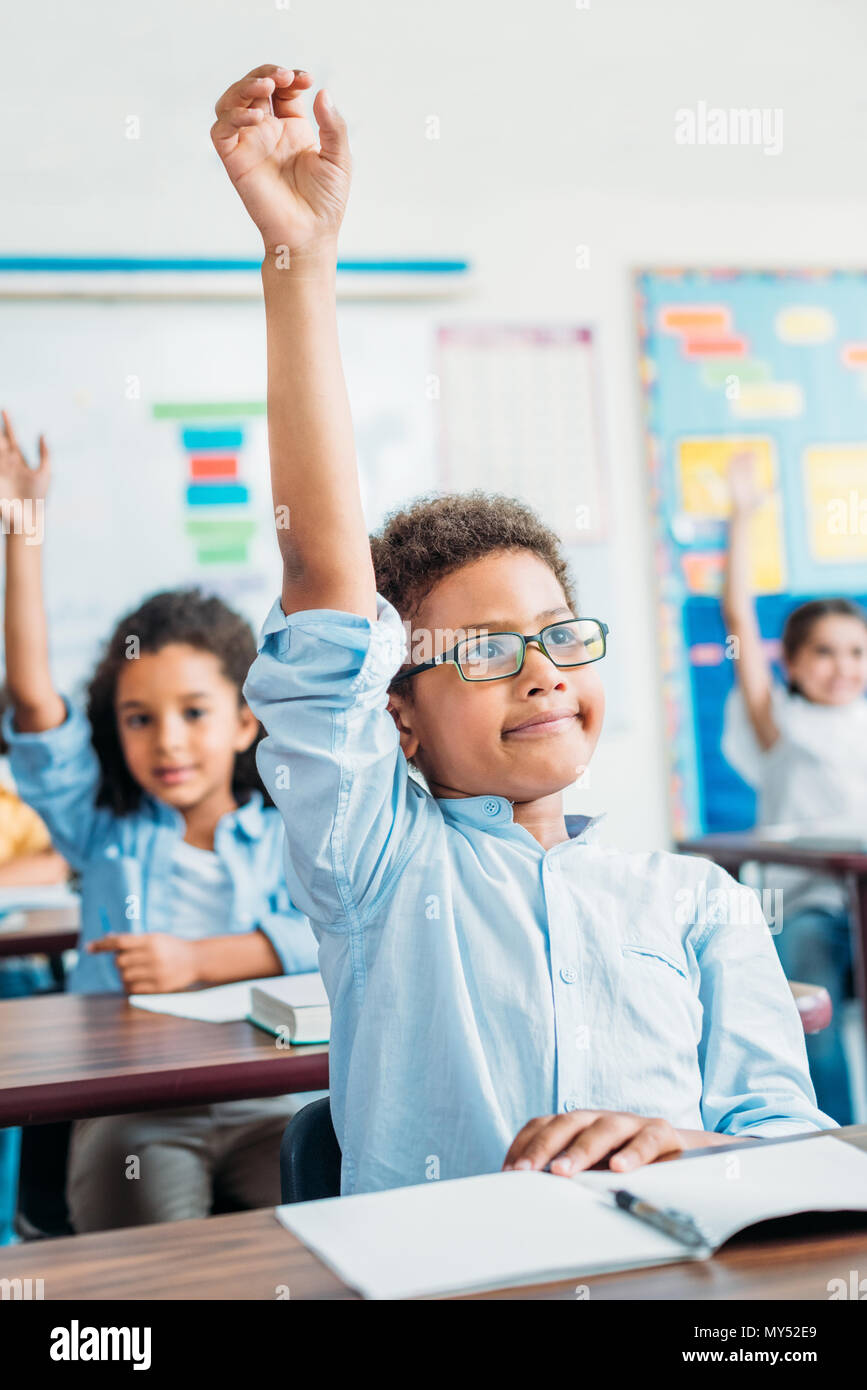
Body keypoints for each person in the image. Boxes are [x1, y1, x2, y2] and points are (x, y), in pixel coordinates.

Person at [213, 64, 834, 1195]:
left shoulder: (699, 903)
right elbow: (322, 577)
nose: (542, 671)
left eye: (558, 635)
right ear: (395, 716)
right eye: (489, 651)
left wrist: (686, 1146)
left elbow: (787, 1142)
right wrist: (298, 261)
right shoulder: (376, 863)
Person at [0, 410, 319, 1230]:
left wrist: (199, 959)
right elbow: (35, 701)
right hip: (138, 1110)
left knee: (309, 1246)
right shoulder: (101, 823)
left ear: (246, 720)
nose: (167, 741)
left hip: (272, 1097)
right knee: (147, 1275)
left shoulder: (295, 821)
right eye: (139, 718)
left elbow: (339, 938)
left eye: (193, 712)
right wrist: (22, 534)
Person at [722, 450, 867, 1124]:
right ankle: (836, 1135)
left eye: (856, 651)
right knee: (809, 997)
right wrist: (741, 518)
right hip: (812, 902)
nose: (842, 667)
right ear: (792, 662)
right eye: (824, 652)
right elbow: (738, 620)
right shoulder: (777, 720)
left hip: (862, 894)